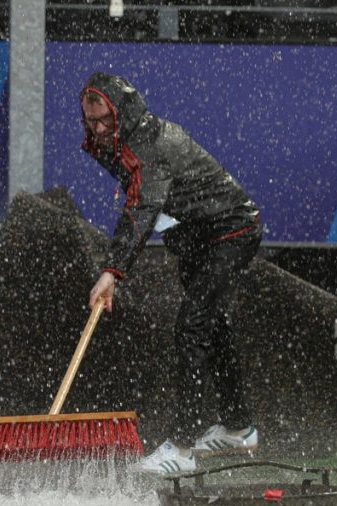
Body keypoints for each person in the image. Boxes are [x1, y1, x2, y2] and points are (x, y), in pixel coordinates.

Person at [80, 72, 263, 475]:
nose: (96, 129)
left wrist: (112, 272)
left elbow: (141, 210)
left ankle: (180, 448)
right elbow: (146, 202)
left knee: (192, 327)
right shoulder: (126, 139)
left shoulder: (149, 146)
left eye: (103, 121)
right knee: (212, 327)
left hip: (231, 232)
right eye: (90, 121)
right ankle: (239, 427)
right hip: (198, 236)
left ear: (121, 113)